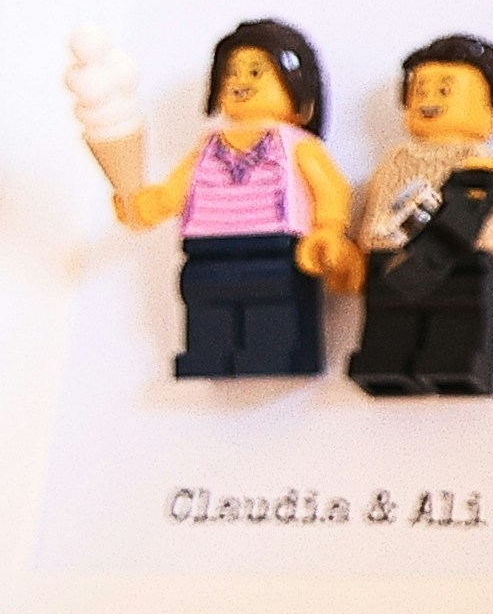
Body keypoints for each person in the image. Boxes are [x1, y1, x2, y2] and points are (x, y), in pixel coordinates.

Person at [93, 21, 349, 381]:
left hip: (275, 247)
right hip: (205, 246)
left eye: (257, 71)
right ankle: (209, 352)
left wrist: (329, 230)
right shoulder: (209, 145)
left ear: (299, 91)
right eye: (231, 72)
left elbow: (330, 190)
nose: (241, 80)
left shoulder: (298, 145)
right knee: (205, 298)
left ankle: (275, 350)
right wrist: (143, 207)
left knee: (272, 300)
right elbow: (175, 191)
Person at [345, 34, 493, 397]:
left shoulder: (480, 160)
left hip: (463, 256)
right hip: (392, 256)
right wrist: (361, 252)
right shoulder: (396, 159)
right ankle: (386, 366)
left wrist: (483, 188)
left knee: (457, 316)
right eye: (420, 90)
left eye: (445, 91)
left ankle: (454, 364)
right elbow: (374, 204)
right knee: (390, 318)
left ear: (490, 112)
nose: (429, 100)